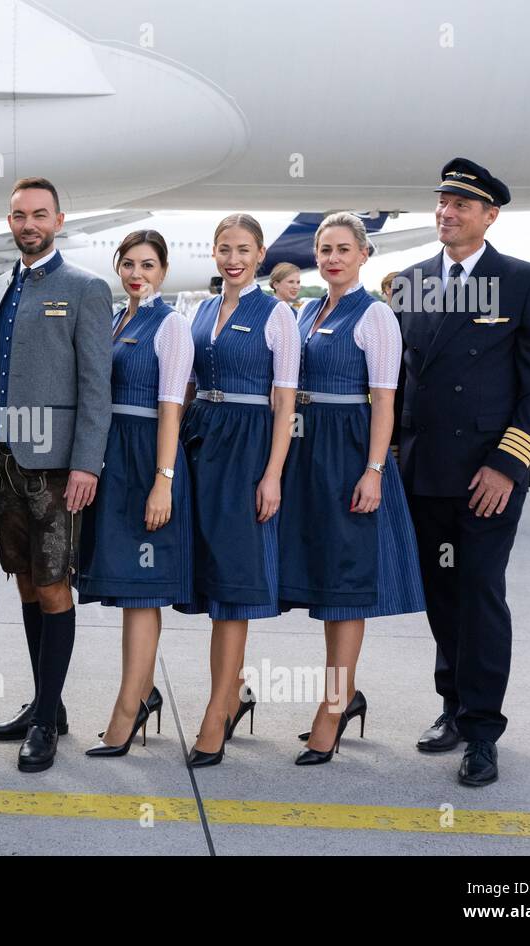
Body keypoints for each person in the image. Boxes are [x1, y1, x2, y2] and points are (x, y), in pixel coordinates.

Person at [393, 158, 530, 787]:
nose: (446, 212)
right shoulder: (408, 283)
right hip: (425, 471)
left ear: (490, 216)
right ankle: (452, 709)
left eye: (461, 204)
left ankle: (484, 730)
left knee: (481, 594)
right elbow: (403, 380)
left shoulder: (522, 281)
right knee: (441, 594)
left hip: (488, 477)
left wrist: (508, 463)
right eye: (441, 202)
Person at [0, 177, 113, 772]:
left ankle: (48, 720)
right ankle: (45, 707)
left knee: (55, 588)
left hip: (56, 467)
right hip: (4, 460)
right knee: (27, 585)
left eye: (38, 214)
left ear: (59, 219)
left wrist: (87, 461)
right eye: (18, 215)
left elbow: (95, 385)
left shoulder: (84, 288)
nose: (27, 223)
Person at [278, 212, 425, 766]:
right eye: (324, 249)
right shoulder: (307, 312)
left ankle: (334, 707)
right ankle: (345, 695)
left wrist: (375, 470)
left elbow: (386, 400)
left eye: (343, 249)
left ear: (364, 256)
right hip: (305, 453)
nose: (332, 258)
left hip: (347, 455)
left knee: (344, 583)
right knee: (320, 579)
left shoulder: (377, 316)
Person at [175, 215, 300, 766]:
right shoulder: (200, 310)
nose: (233, 259)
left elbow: (285, 401)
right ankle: (237, 689)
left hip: (248, 448)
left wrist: (272, 473)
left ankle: (217, 711)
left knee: (233, 581)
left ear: (261, 254)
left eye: (243, 250)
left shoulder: (277, 315)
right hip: (202, 438)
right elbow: (187, 382)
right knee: (207, 574)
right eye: (224, 249)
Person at [76, 230, 194, 758]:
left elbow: (171, 409)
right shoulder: (115, 319)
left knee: (144, 589)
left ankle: (127, 712)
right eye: (127, 264)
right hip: (114, 461)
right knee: (127, 588)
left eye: (147, 264)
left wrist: (163, 482)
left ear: (164, 270)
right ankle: (141, 694)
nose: (136, 273)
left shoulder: (169, 326)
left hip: (149, 459)